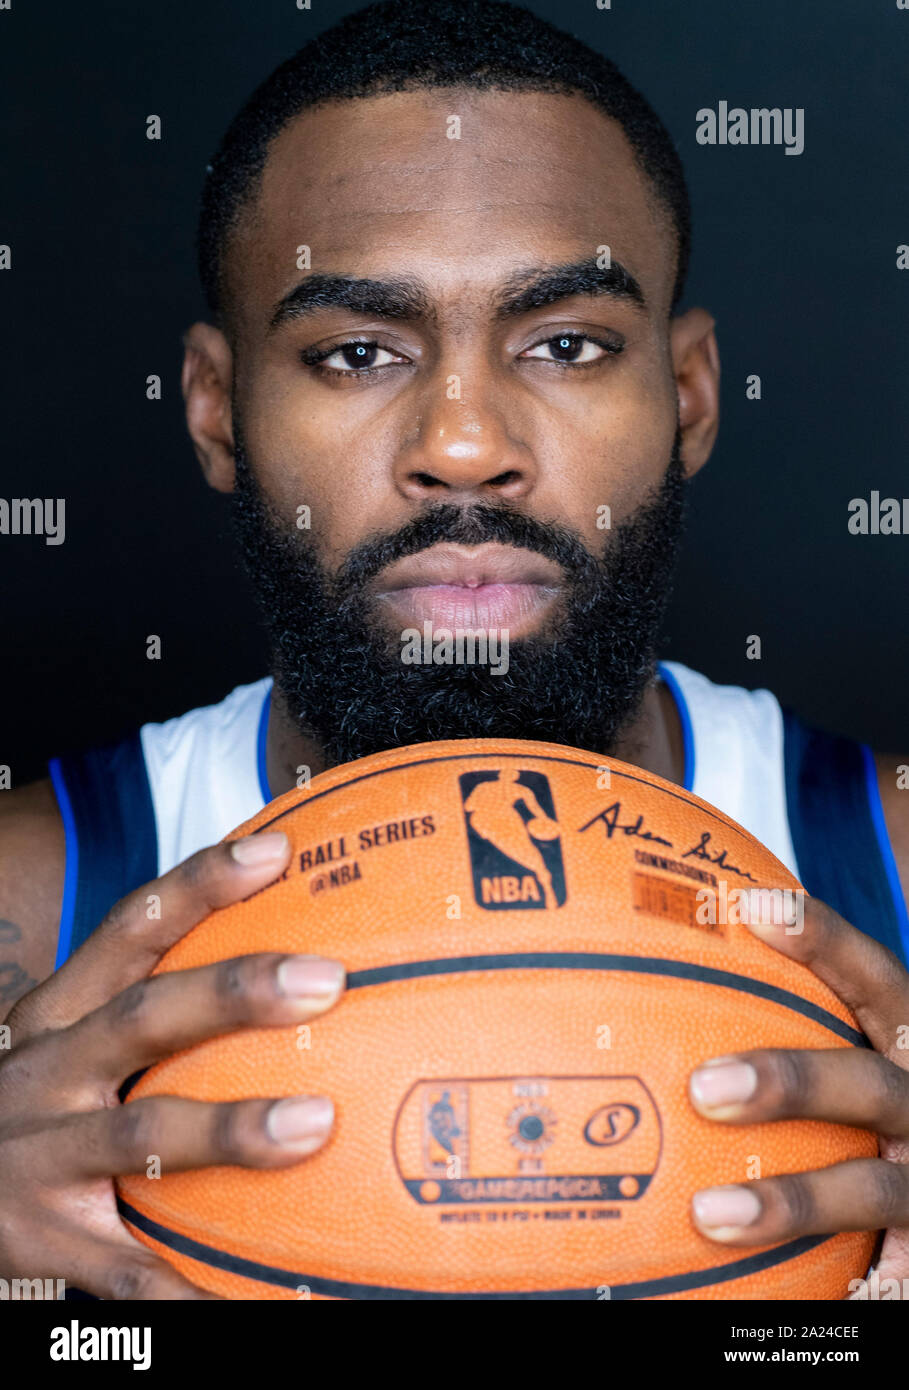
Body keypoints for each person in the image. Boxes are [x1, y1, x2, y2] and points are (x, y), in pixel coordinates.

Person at [1, 0, 907, 1300]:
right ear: (214, 410)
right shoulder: (43, 895)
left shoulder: (888, 867)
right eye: (357, 351)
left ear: (689, 394)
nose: (466, 442)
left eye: (566, 343)